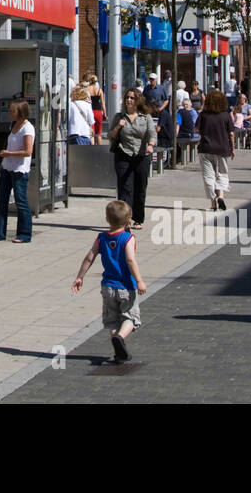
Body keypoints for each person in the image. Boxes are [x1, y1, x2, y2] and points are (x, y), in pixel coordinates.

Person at [71, 200, 146, 364]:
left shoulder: (102, 237)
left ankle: (119, 351)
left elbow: (89, 257)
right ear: (128, 221)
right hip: (126, 286)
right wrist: (139, 280)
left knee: (112, 319)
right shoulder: (128, 238)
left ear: (107, 219)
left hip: (107, 287)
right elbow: (130, 260)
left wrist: (80, 276)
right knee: (130, 318)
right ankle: (120, 337)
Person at [107, 93, 155, 232]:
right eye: (127, 97)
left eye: (132, 98)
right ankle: (124, 221)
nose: (129, 100)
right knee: (125, 188)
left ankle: (138, 218)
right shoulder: (119, 117)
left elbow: (152, 132)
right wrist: (118, 127)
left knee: (140, 187)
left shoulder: (145, 117)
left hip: (141, 156)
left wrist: (151, 144)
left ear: (138, 101)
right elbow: (111, 135)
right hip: (123, 154)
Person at [0, 100, 35, 244]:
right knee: (1, 200)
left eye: (12, 111)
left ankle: (24, 233)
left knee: (21, 201)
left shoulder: (27, 128)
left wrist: (9, 153)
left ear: (20, 111)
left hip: (19, 169)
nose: (9, 113)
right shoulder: (14, 125)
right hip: (7, 167)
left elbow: (28, 152)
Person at [197, 89, 235, 211]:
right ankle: (221, 196)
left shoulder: (203, 115)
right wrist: (232, 148)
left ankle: (213, 203)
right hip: (222, 148)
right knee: (221, 173)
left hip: (205, 148)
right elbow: (231, 134)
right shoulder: (225, 115)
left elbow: (197, 130)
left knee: (208, 176)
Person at [83, 72, 105, 145]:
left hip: (90, 111)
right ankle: (99, 151)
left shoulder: (87, 89)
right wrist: (105, 113)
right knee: (98, 134)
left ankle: (92, 150)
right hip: (98, 112)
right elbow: (102, 103)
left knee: (91, 133)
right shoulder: (99, 90)